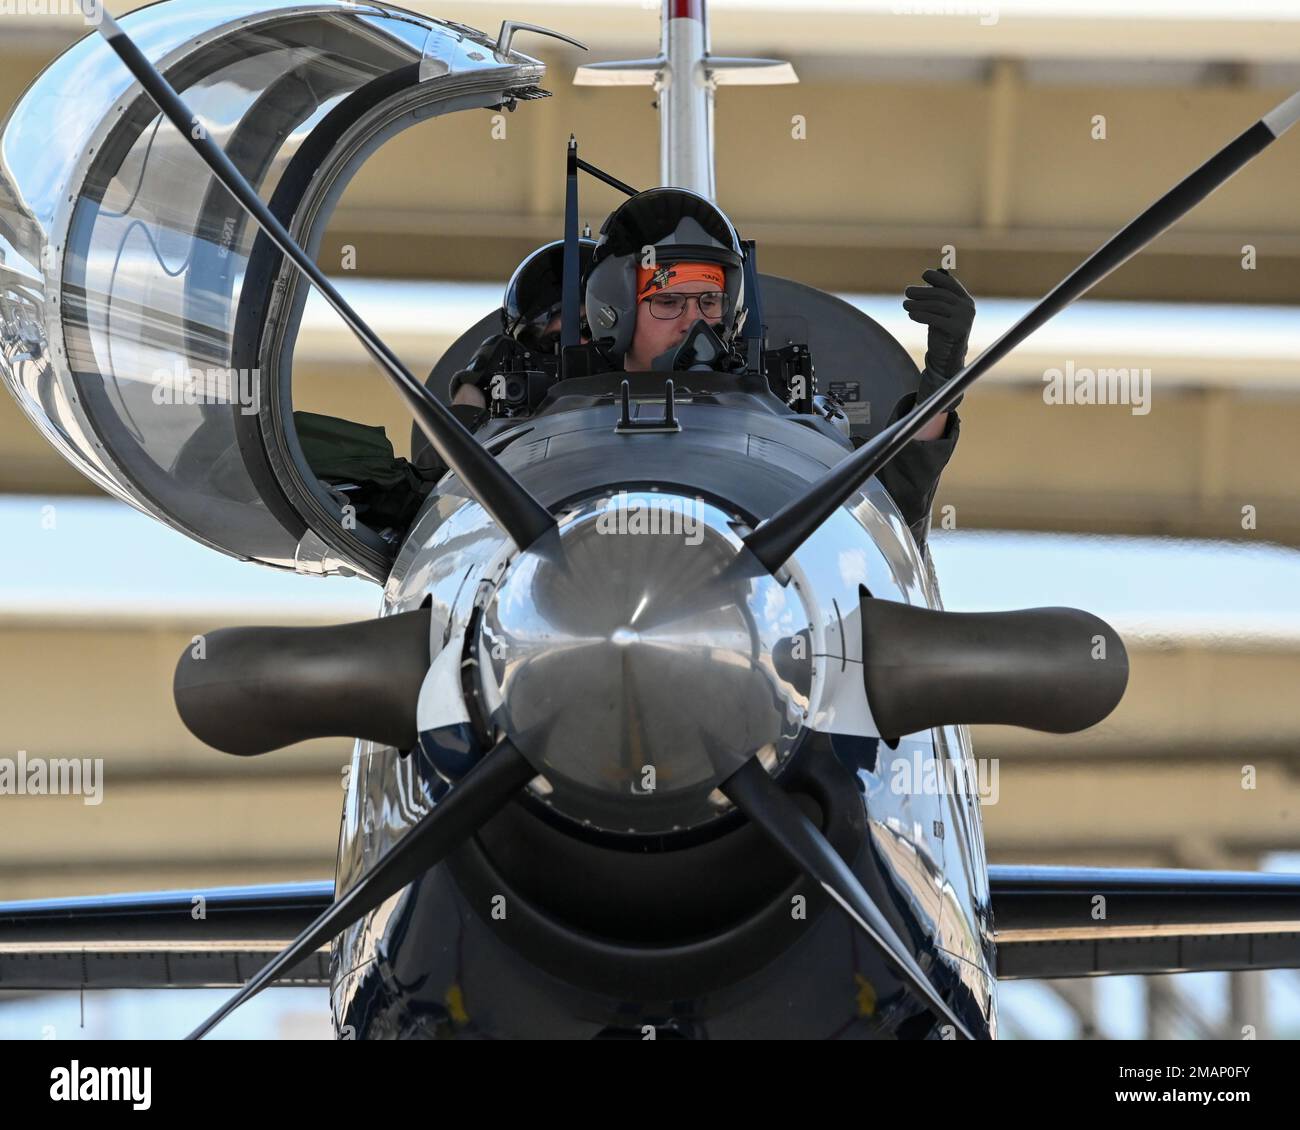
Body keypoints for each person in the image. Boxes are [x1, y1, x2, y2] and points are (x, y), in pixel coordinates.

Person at [584, 186, 976, 552]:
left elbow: (884, 518)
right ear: (618, 309)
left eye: (709, 300)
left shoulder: (794, 426)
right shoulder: (567, 426)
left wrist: (942, 378)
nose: (694, 323)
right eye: (667, 302)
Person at [448, 237, 596, 411]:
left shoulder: (627, 365)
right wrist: (478, 383)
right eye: (556, 339)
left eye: (587, 327)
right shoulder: (514, 363)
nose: (579, 345)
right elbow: (465, 418)